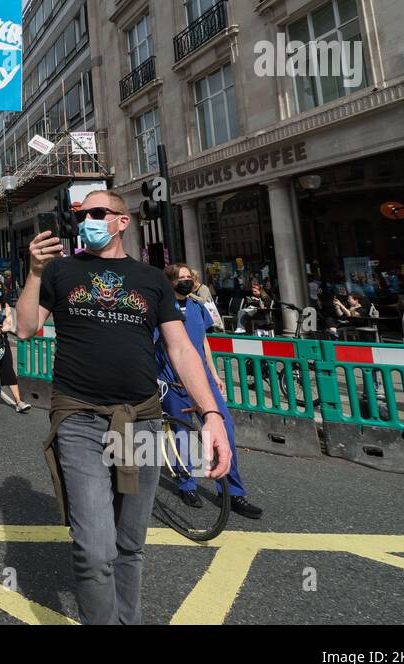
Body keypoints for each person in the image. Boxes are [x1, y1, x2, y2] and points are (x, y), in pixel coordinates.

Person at [16, 191, 230, 625]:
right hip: (78, 420)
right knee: (95, 549)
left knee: (129, 543)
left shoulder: (150, 279)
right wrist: (35, 272)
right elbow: (25, 328)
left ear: (121, 222)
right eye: (82, 215)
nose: (87, 220)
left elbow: (181, 350)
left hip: (141, 422)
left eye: (98, 213)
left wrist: (212, 415)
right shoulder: (60, 270)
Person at [156, 263, 262, 519]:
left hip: (203, 381)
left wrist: (214, 374)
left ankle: (233, 492)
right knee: (183, 433)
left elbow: (203, 343)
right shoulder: (160, 308)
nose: (187, 281)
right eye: (181, 278)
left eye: (189, 277)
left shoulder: (197, 307)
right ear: (170, 282)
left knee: (224, 430)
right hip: (174, 381)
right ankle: (187, 484)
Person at [0, 277, 31, 412]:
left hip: (1, 341)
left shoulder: (5, 306)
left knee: (8, 369)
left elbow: (8, 323)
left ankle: (18, 402)